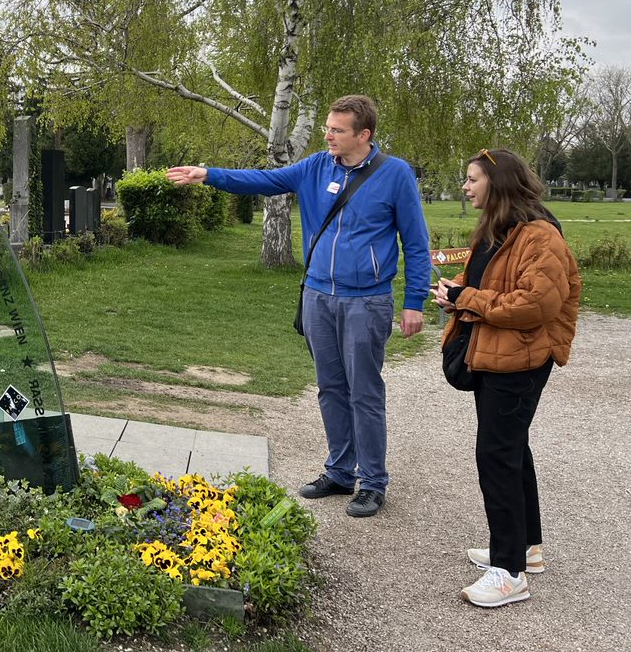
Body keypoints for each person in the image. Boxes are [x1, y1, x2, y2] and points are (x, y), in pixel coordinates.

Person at [167, 94, 430, 517]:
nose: (328, 135)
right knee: (330, 387)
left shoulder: (394, 174)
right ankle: (340, 472)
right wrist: (209, 175)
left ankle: (372, 482)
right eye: (327, 127)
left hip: (366, 301)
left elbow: (416, 243)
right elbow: (264, 180)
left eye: (337, 130)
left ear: (363, 135)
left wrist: (414, 301)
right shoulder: (315, 167)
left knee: (364, 392)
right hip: (317, 296)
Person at [432, 148, 580, 608]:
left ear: (497, 184)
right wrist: (455, 293)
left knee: (496, 455)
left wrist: (468, 298)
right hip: (496, 353)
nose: (465, 187)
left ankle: (508, 572)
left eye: (472, 179)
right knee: (511, 449)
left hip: (521, 360)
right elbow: (482, 282)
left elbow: (536, 305)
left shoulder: (540, 235)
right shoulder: (499, 229)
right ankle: (526, 548)